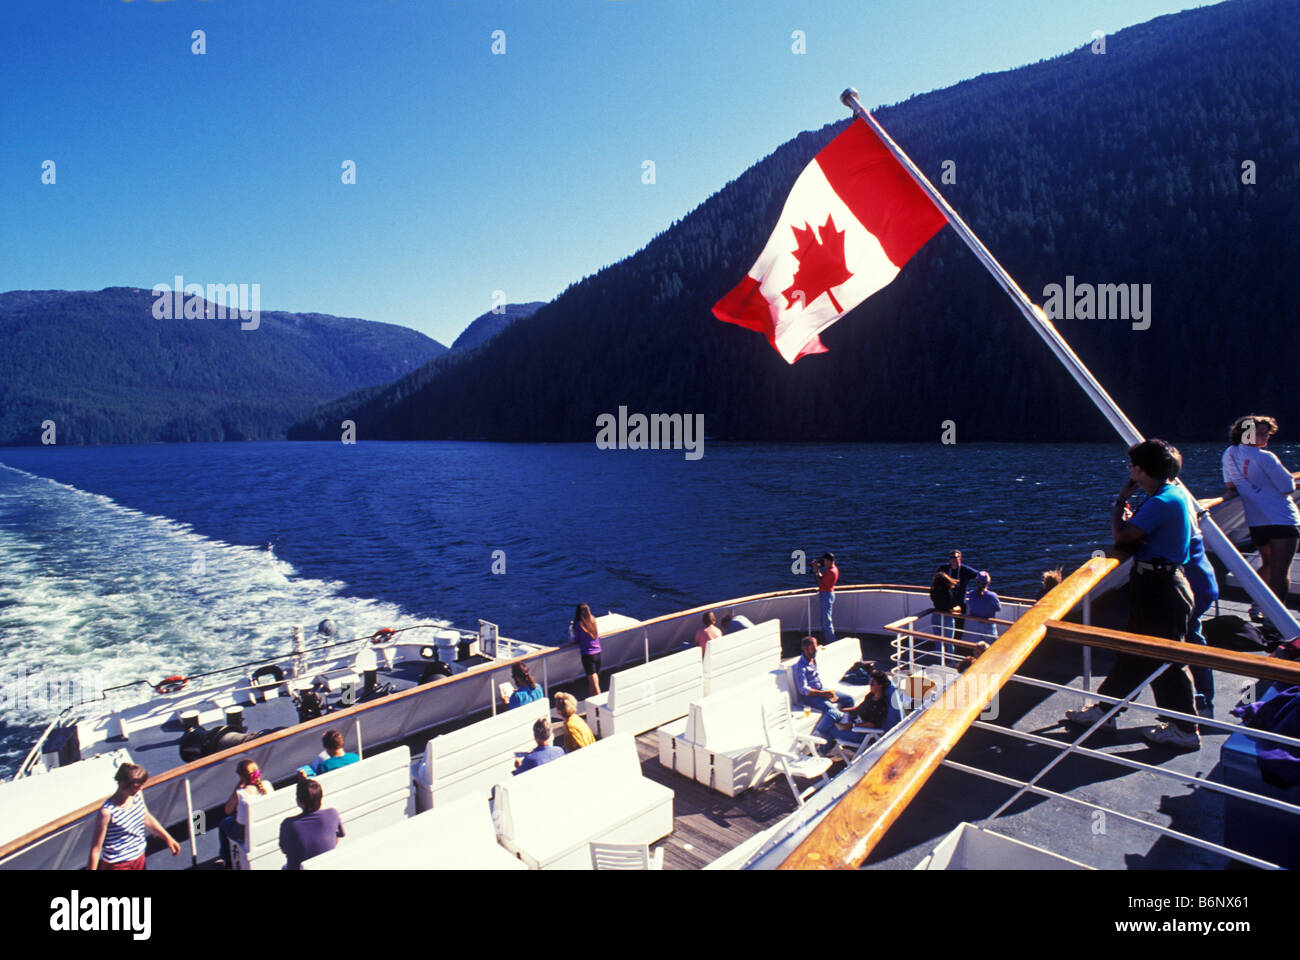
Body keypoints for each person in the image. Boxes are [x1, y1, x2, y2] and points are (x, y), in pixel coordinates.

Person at [1065, 439, 1200, 749]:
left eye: (1132, 466)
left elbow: (1122, 537)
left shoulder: (1161, 501)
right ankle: (1106, 711)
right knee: (1137, 653)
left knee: (1165, 659)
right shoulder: (1173, 493)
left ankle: (1184, 729)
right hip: (1163, 583)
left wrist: (1119, 502)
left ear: (1141, 470)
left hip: (1160, 589)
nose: (1129, 470)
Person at [1222, 414, 1299, 619]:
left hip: (1257, 521)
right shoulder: (1266, 457)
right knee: (1280, 571)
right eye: (1262, 433)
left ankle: (1257, 604)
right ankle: (1276, 619)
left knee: (1267, 564)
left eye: (1268, 434)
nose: (1266, 438)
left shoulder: (1229, 454)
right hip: (1282, 519)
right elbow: (1288, 486)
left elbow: (1231, 486)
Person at [1170, 480, 1220, 714]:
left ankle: (1108, 710)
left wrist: (1120, 504)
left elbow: (1129, 537)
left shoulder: (1165, 501)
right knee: (1193, 637)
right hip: (1203, 579)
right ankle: (1203, 703)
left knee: (1154, 649)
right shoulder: (1181, 495)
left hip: (1190, 585)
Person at [88, 763, 180, 870]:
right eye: (136, 787)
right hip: (118, 864)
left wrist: (168, 838)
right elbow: (96, 849)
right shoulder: (107, 812)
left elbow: (146, 818)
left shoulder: (137, 796)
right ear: (122, 784)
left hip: (139, 857)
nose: (140, 789)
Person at [792, 636, 853, 756]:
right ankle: (819, 740)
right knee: (834, 712)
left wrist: (819, 647)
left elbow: (818, 648)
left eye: (815, 648)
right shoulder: (800, 667)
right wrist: (823, 694)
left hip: (822, 690)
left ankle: (846, 731)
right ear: (804, 649)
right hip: (811, 697)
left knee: (849, 699)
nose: (815, 651)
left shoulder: (812, 657)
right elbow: (803, 690)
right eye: (812, 649)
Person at [216, 757, 274, 867]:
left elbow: (227, 810)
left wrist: (238, 785)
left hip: (245, 833)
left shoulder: (241, 794)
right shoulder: (267, 785)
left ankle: (226, 859)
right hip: (265, 827)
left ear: (242, 776)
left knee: (224, 823)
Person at [278, 778, 343, 869]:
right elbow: (337, 838)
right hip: (327, 865)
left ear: (298, 802)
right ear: (321, 798)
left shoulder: (288, 824)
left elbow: (284, 850)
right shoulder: (332, 813)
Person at [838, 670, 904, 745]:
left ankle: (825, 749)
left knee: (829, 728)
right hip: (854, 722)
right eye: (869, 683)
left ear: (880, 685)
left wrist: (851, 726)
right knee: (831, 716)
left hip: (862, 733)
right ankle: (826, 748)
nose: (870, 685)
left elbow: (872, 724)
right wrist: (841, 711)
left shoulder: (881, 704)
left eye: (872, 683)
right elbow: (858, 708)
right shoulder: (870, 696)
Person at [571, 603, 602, 696]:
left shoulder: (579, 624)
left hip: (588, 655)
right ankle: (593, 699)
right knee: (595, 680)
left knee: (593, 682)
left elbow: (577, 639)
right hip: (598, 653)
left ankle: (599, 701)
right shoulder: (593, 621)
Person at [963, 571, 1001, 643]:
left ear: (977, 582)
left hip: (975, 623)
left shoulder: (971, 594)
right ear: (988, 582)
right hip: (988, 624)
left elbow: (971, 605)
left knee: (978, 647)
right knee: (991, 647)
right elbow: (998, 608)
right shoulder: (992, 596)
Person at [811, 552, 838, 644]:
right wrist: (818, 571)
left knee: (826, 621)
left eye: (825, 561)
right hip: (827, 594)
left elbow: (820, 583)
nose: (824, 563)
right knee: (825, 620)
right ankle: (829, 640)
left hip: (826, 595)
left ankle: (831, 641)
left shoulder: (831, 572)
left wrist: (816, 571)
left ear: (829, 561)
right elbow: (823, 579)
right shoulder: (832, 569)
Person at [929, 570, 960, 644]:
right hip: (947, 617)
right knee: (949, 642)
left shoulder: (933, 591)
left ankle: (939, 655)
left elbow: (934, 600)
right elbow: (951, 607)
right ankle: (949, 655)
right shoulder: (948, 593)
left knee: (938, 641)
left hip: (936, 615)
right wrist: (959, 608)